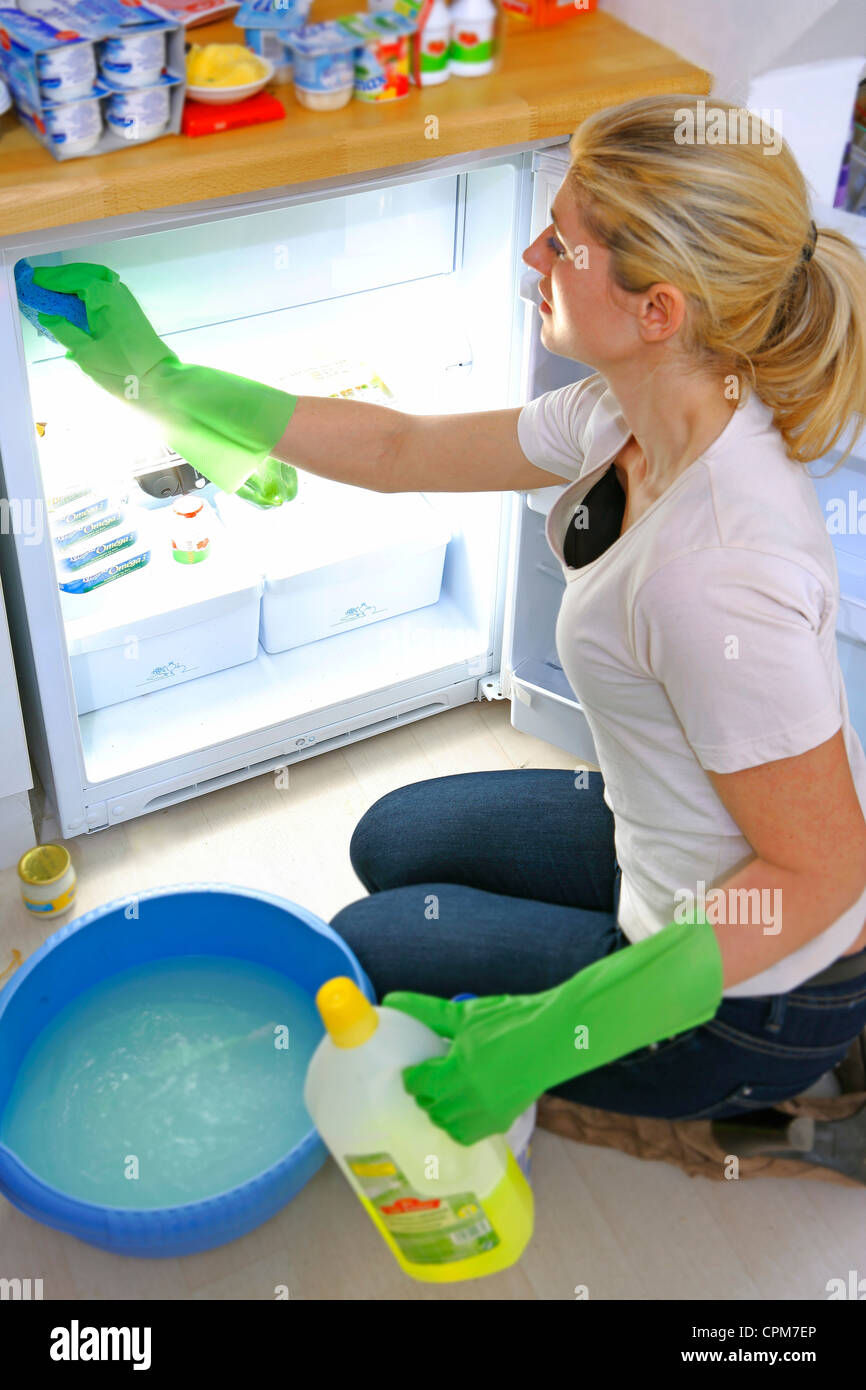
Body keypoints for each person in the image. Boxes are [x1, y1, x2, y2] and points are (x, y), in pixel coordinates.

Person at [34, 95, 866, 1148]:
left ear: (657, 309)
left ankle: (749, 1096)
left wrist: (549, 1035)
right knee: (391, 837)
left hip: (756, 995)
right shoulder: (638, 408)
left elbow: (821, 872)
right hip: (661, 839)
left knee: (364, 946)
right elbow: (401, 450)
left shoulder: (712, 573)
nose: (529, 252)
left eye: (560, 243)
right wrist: (169, 381)